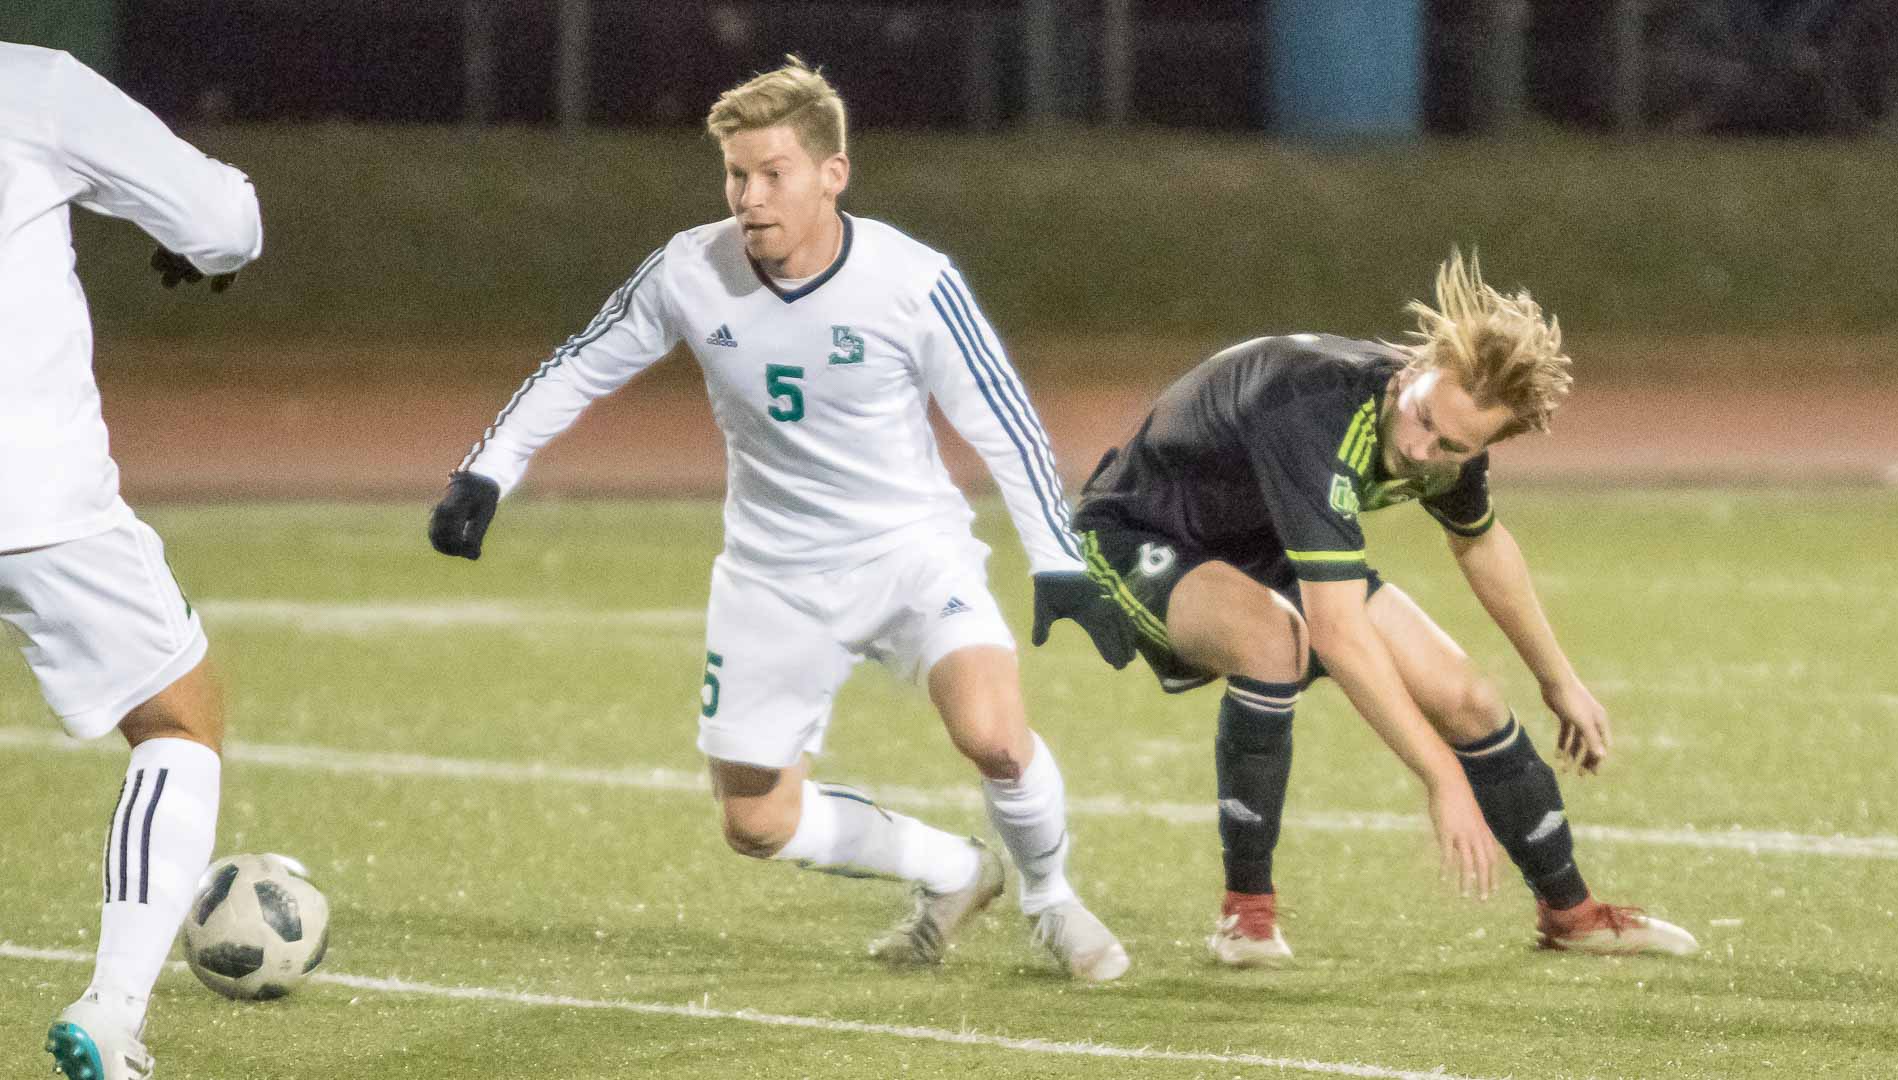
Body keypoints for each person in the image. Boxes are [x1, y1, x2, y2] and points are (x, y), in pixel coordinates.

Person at [429, 56, 1135, 982]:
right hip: (774, 574)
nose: (749, 199)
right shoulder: (692, 269)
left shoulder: (912, 281)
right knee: (755, 823)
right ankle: (955, 871)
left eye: (773, 175)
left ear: (831, 174)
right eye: (735, 175)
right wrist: (487, 471)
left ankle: (1053, 899)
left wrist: (1058, 560)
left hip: (910, 552)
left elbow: (1004, 426)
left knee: (994, 734)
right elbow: (580, 363)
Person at [1064, 251, 1699, 966]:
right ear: (1410, 371)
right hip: (1141, 533)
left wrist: (1560, 680)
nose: (1420, 447)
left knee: (1468, 697)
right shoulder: (1312, 408)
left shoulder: (1452, 439)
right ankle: (1246, 916)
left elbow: (1481, 545)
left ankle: (1571, 915)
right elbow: (1337, 633)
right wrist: (1441, 777)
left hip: (1268, 539)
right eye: (1421, 417)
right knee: (1276, 641)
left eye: (1450, 445)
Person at [0, 42, 263, 1080]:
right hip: (32, 494)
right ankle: (111, 1014)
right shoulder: (29, 83)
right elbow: (222, 221)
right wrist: (207, 247)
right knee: (176, 716)